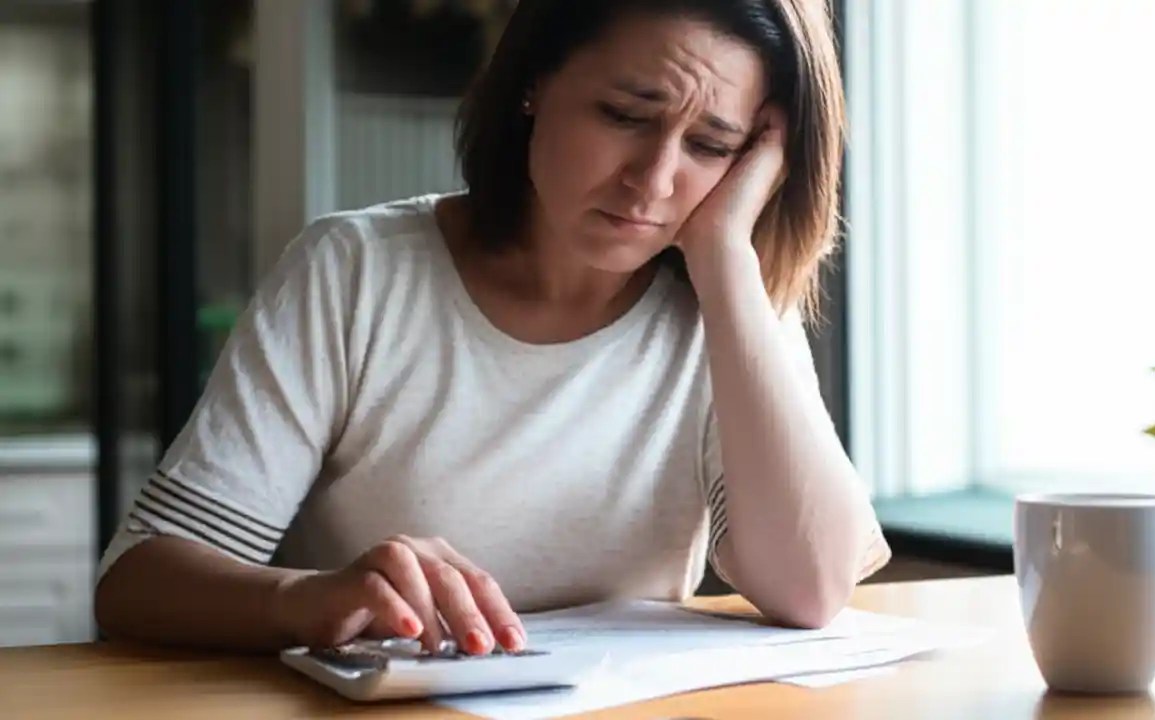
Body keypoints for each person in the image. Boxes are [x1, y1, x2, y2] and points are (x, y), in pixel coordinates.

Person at [93, 0, 890, 656]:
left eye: (711, 146)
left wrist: (726, 263)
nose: (652, 182)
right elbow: (137, 581)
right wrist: (308, 598)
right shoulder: (357, 273)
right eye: (623, 115)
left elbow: (812, 590)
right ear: (534, 83)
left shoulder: (731, 304)